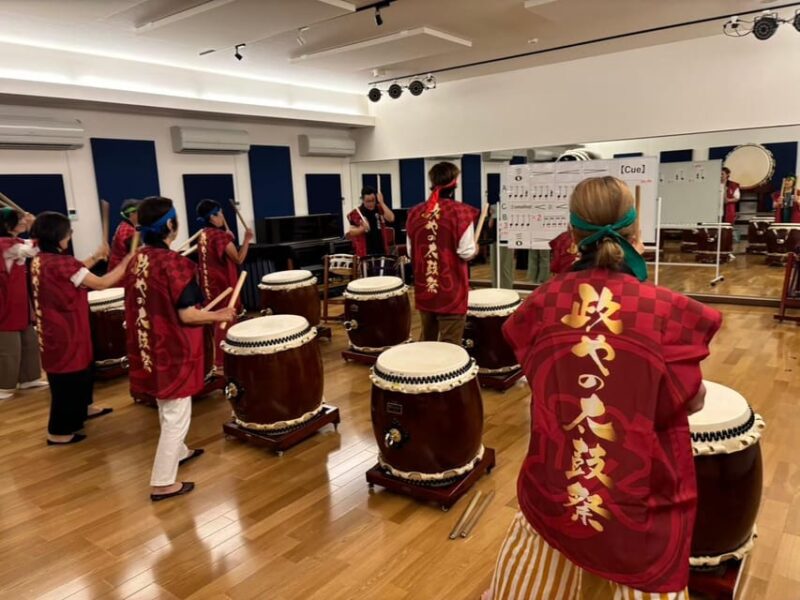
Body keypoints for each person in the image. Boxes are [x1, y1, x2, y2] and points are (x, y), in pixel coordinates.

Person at [484, 176, 722, 600]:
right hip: (639, 489)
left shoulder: (544, 301)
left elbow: (535, 370)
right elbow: (692, 399)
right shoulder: (662, 309)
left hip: (560, 476)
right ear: (635, 231)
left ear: (572, 235)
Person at [125, 196, 235, 501]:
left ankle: (181, 451)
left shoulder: (138, 259)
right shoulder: (176, 265)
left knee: (166, 404)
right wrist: (219, 315)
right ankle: (163, 482)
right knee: (177, 412)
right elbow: (188, 314)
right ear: (171, 225)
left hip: (150, 344)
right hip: (172, 346)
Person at [29, 212, 130, 444]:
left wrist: (96, 256)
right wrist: (125, 263)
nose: (70, 235)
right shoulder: (63, 263)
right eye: (68, 232)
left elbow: (75, 272)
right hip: (65, 330)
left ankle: (85, 408)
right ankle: (58, 432)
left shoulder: (41, 259)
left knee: (83, 371)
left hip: (59, 327)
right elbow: (102, 283)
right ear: (58, 236)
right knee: (67, 379)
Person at [406, 162, 478, 344]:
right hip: (451, 290)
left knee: (427, 341)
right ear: (455, 183)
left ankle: (424, 372)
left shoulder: (415, 213)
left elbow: (410, 251)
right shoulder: (461, 212)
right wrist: (475, 248)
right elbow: (466, 252)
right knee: (450, 345)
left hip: (425, 288)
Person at [195, 199, 253, 371]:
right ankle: (223, 360)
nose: (222, 216)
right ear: (212, 217)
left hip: (207, 283)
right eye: (219, 214)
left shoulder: (204, 233)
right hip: (222, 285)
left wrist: (228, 238)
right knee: (225, 319)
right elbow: (238, 259)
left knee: (215, 320)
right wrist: (247, 240)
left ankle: (220, 357)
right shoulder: (220, 236)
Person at [0, 207, 47, 400]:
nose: (22, 222)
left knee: (28, 340)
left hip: (19, 301)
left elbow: (32, 245)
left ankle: (29, 378)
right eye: (18, 219)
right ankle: (4, 385)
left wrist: (35, 228)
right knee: (9, 347)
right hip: (5, 302)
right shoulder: (4, 244)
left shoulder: (14, 242)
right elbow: (33, 249)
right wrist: (36, 227)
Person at [346, 186, 396, 258]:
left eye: (373, 200)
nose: (371, 203)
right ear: (363, 200)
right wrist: (362, 229)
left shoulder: (379, 208)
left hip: (381, 249)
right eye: (368, 201)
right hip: (365, 252)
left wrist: (381, 202)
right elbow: (351, 232)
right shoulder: (357, 212)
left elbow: (391, 218)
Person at [108, 198, 140, 271]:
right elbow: (137, 254)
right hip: (120, 273)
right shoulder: (128, 231)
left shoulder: (123, 225)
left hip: (116, 270)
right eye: (140, 212)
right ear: (132, 214)